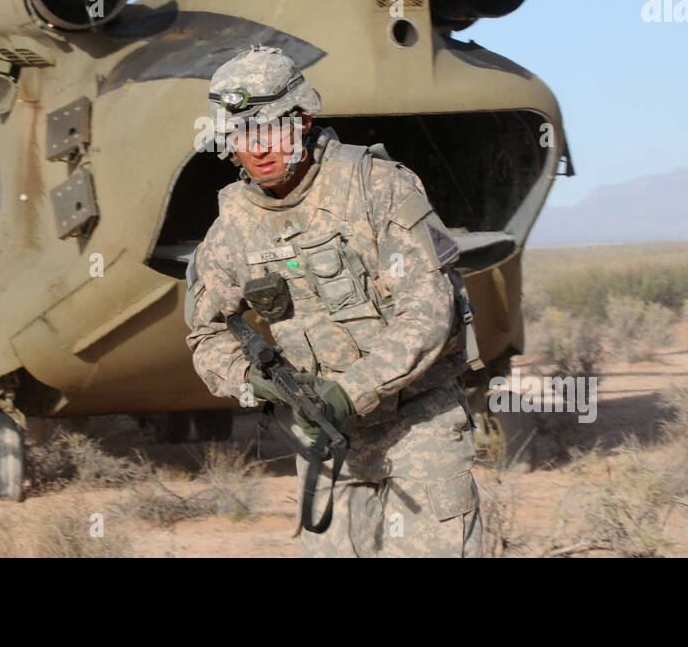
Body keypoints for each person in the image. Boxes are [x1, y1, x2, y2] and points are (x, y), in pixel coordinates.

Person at [183, 44, 484, 557]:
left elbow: (429, 311)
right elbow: (206, 334)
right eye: (241, 133)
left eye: (269, 128)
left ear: (302, 118)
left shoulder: (378, 187)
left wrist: (350, 391)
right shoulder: (231, 226)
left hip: (420, 424)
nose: (257, 148)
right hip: (325, 441)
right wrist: (256, 382)